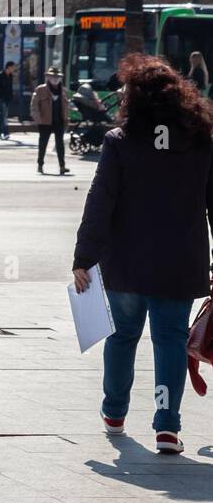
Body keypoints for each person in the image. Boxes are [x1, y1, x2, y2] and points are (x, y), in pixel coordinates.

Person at [72, 54, 213, 455]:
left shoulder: (121, 141)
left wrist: (84, 257)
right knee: (169, 340)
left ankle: (114, 412)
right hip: (180, 261)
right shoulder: (202, 143)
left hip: (127, 261)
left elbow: (101, 202)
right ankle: (167, 426)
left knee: (122, 336)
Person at [31, 66, 71, 175]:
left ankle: (62, 166)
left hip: (59, 121)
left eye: (57, 76)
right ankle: (40, 164)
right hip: (45, 121)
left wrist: (67, 119)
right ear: (47, 77)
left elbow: (67, 107)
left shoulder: (64, 91)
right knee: (43, 144)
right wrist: (38, 118)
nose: (55, 78)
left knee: (60, 144)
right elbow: (34, 106)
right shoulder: (40, 89)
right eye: (52, 76)